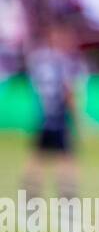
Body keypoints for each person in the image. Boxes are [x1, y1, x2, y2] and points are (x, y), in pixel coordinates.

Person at [22, 26, 84, 208]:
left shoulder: (39, 61)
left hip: (43, 118)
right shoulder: (62, 62)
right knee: (66, 164)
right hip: (58, 119)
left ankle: (29, 208)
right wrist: (78, 120)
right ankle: (69, 211)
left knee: (37, 161)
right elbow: (68, 92)